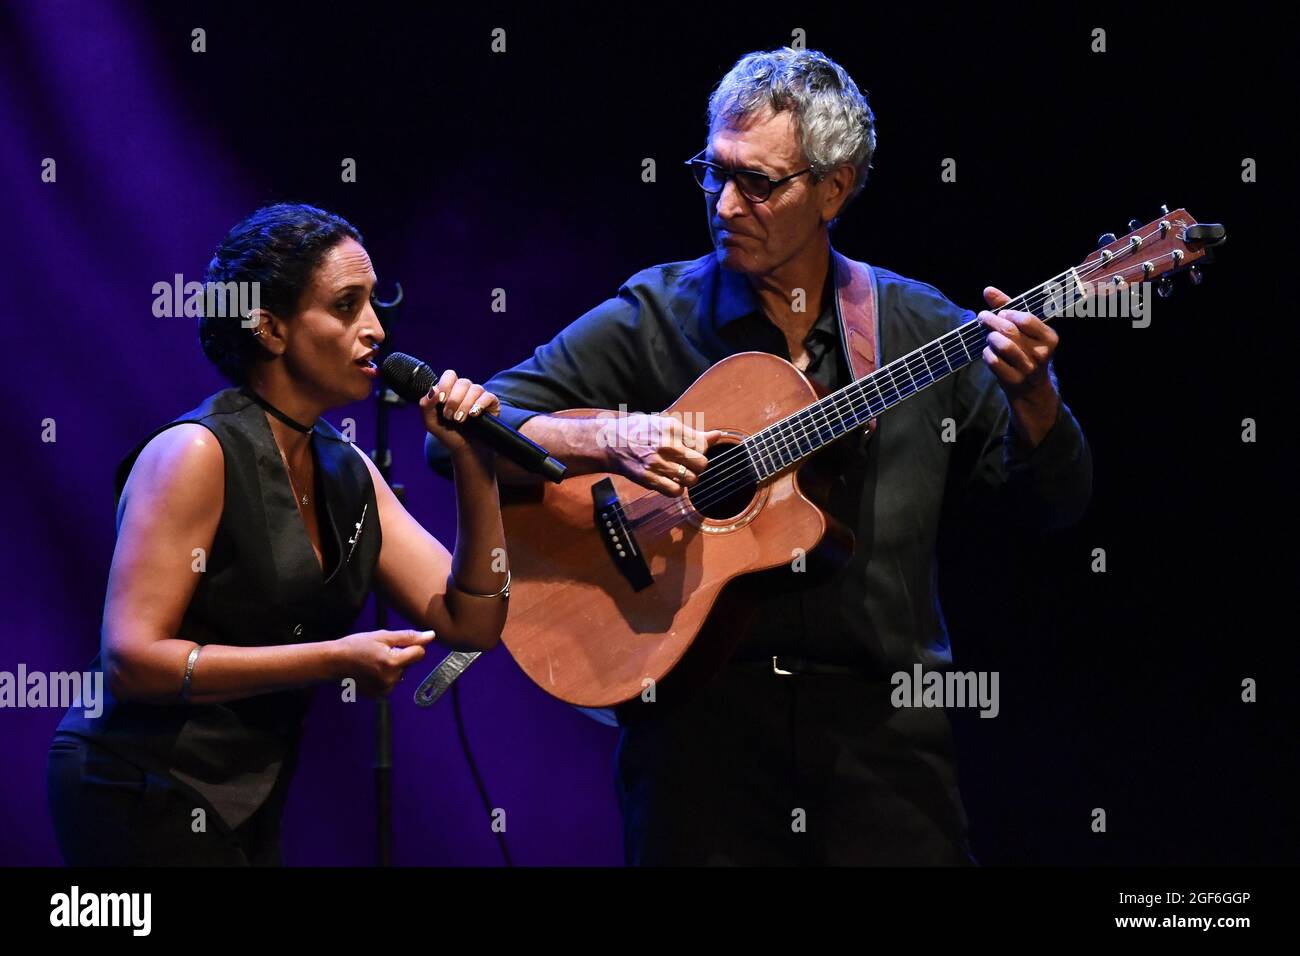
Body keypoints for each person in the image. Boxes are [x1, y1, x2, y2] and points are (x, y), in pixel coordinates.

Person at [426, 49, 1092, 865]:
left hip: (880, 738)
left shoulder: (921, 329)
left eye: (759, 183)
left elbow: (1051, 507)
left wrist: (1036, 399)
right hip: (698, 737)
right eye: (714, 173)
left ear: (834, 189)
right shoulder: (653, 314)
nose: (725, 204)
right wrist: (610, 436)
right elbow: (458, 433)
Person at [48, 203, 509, 865]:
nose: (377, 329)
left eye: (376, 303)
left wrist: (475, 464)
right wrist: (333, 658)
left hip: (245, 795)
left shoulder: (346, 469)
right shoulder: (195, 454)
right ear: (269, 327)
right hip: (135, 784)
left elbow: (473, 623)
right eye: (347, 305)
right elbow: (131, 661)